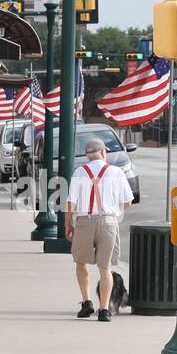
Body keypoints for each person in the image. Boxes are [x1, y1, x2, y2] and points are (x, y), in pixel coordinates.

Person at [65, 136, 134, 322]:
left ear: (88, 155)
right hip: (108, 222)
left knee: (81, 263)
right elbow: (127, 203)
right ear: (103, 152)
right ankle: (104, 310)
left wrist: (68, 224)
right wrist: (112, 209)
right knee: (106, 267)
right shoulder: (116, 172)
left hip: (84, 221)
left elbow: (70, 202)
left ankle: (87, 302)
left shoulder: (79, 172)